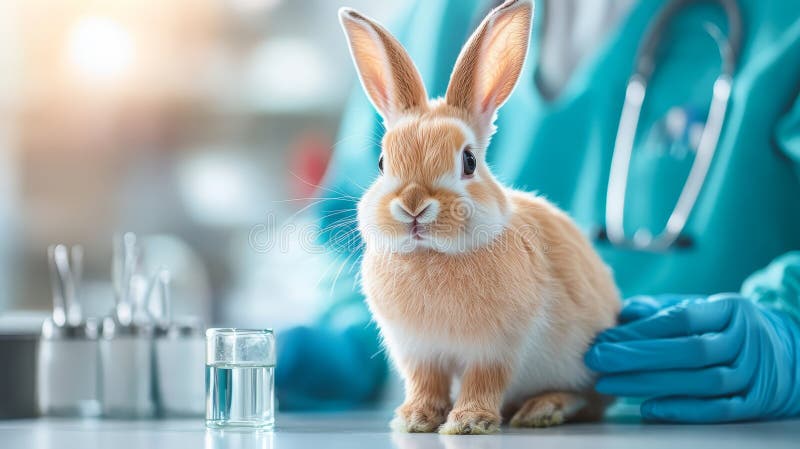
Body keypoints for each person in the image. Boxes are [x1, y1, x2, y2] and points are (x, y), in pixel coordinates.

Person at [276, 0, 800, 422]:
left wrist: (788, 331)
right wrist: (345, 335)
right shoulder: (437, 17)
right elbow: (342, 221)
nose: (418, 205)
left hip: (713, 425)